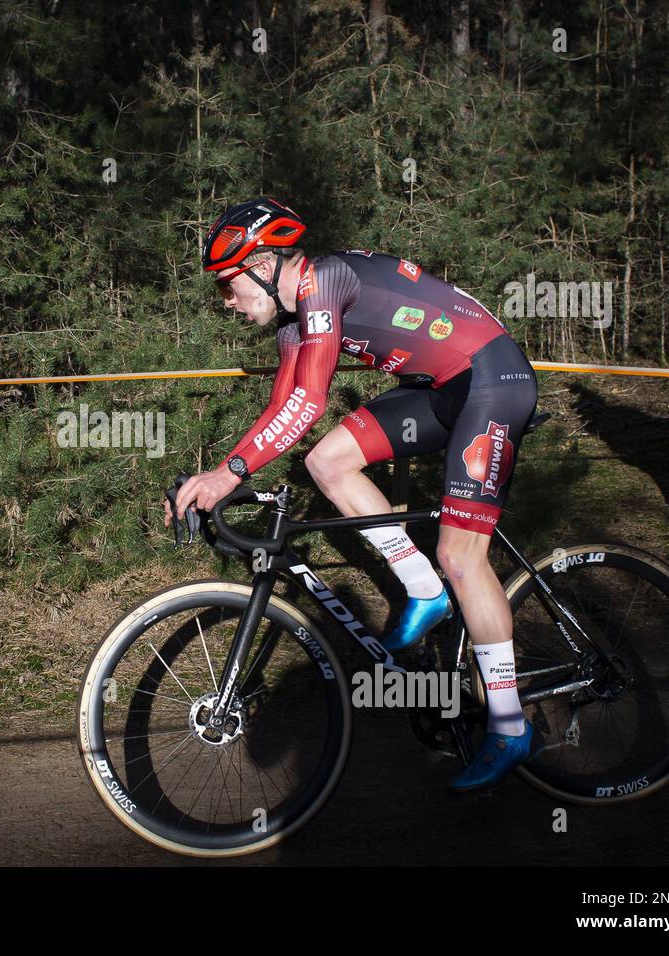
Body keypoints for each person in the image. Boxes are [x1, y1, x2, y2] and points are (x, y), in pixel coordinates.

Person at [169, 198, 539, 791]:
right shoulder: (294, 319)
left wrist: (228, 475)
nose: (226, 302)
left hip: (492, 381)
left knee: (461, 557)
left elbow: (310, 404)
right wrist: (220, 471)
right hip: (442, 389)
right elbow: (285, 407)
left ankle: (509, 723)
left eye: (228, 284)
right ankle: (424, 592)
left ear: (264, 262)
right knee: (328, 460)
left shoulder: (325, 281)